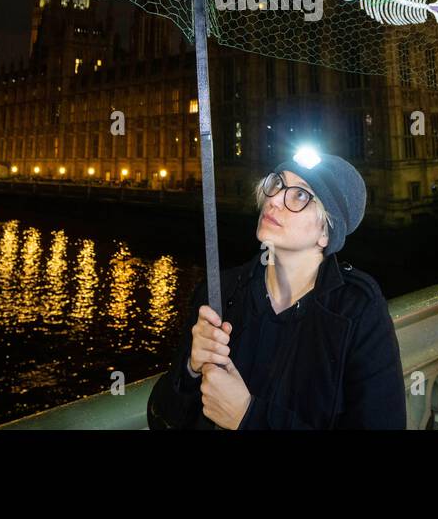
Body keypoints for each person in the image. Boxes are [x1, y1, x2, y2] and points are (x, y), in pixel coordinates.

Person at [146, 149, 406, 429]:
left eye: (301, 195)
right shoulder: (219, 291)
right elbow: (161, 419)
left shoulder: (358, 312)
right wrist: (190, 371)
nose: (275, 200)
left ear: (325, 233)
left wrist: (249, 418)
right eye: (278, 183)